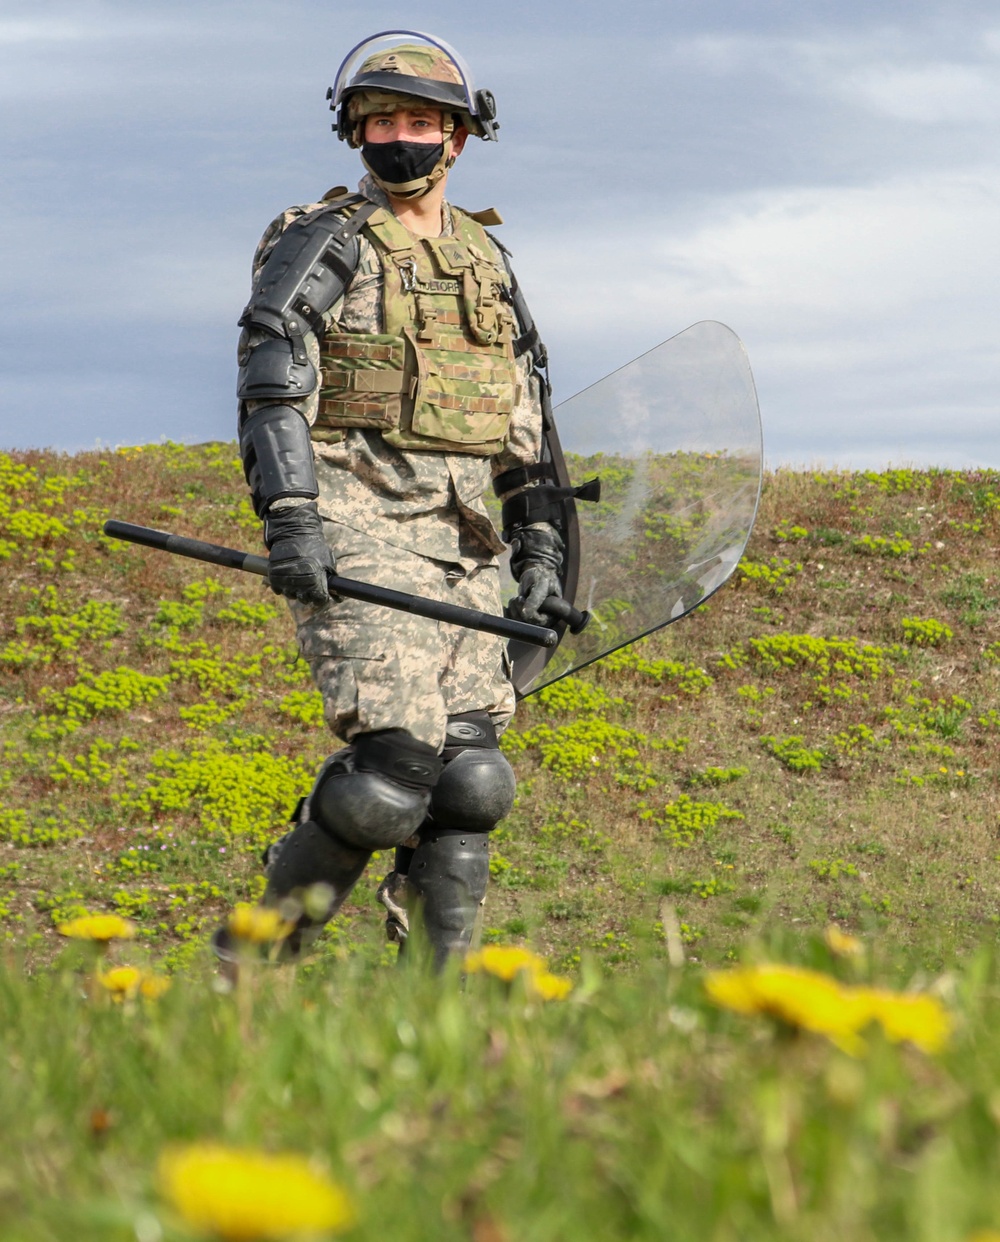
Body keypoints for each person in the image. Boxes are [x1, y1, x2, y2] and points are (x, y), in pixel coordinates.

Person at [218, 32, 566, 969]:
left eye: (419, 122)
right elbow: (272, 381)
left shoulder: (487, 260)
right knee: (390, 776)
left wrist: (540, 550)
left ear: (457, 137)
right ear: (355, 133)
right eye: (381, 122)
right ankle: (245, 977)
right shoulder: (323, 239)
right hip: (360, 526)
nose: (400, 139)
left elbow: (524, 414)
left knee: (472, 784)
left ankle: (433, 1025)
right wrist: (291, 516)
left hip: (470, 546)